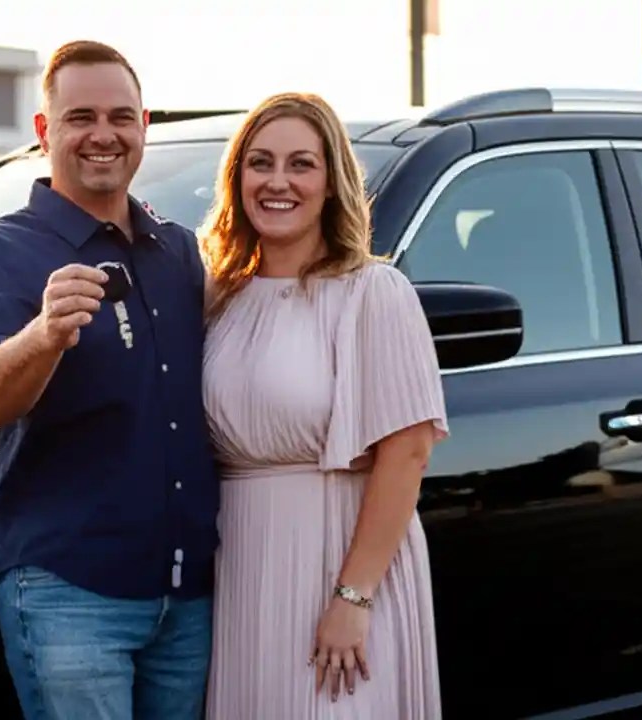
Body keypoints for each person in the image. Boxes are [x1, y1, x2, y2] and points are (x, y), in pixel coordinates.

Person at [0, 40, 219, 720]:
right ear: (45, 132)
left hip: (188, 593)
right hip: (69, 593)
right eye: (81, 118)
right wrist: (43, 335)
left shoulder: (178, 250)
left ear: (143, 127)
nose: (104, 135)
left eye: (121, 117)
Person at [198, 92, 449, 719]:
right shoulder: (218, 301)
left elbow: (407, 452)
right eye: (260, 163)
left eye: (300, 164)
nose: (277, 182)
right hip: (241, 575)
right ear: (237, 180)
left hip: (338, 567)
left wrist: (353, 598)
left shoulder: (374, 293)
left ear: (332, 182)